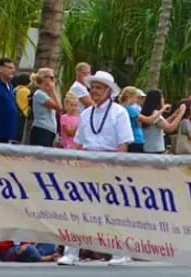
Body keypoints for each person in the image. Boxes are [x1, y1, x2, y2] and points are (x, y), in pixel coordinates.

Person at [56, 71, 133, 266]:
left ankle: (120, 252)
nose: (94, 91)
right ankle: (71, 252)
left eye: (99, 88)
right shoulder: (86, 113)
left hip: (109, 164)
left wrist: (116, 169)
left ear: (108, 91)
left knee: (113, 211)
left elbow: (123, 144)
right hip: (87, 164)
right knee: (78, 209)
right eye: (93, 88)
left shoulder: (119, 112)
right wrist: (74, 164)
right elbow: (79, 143)